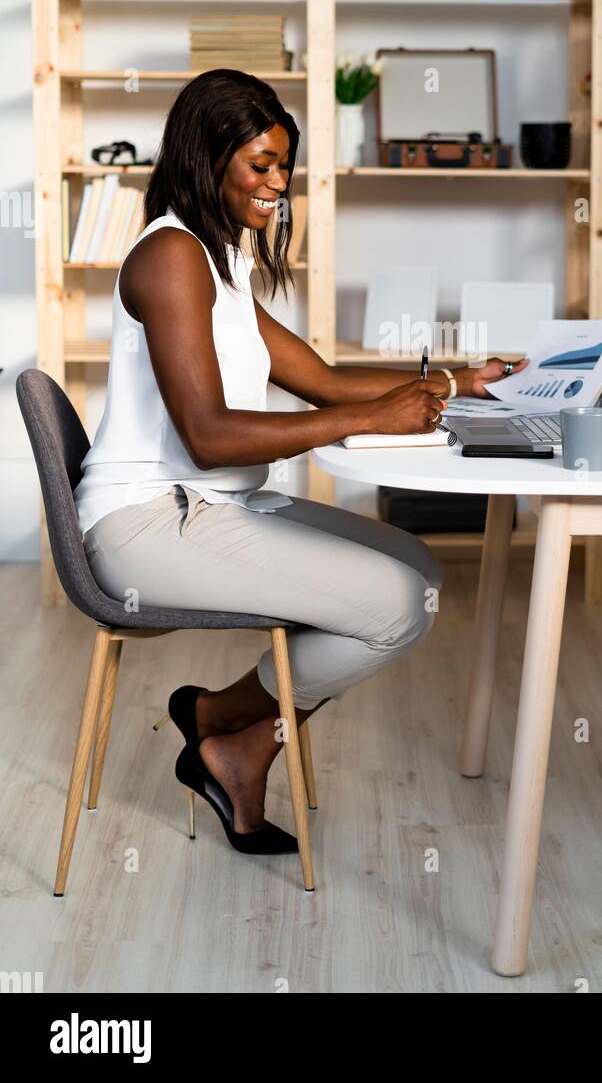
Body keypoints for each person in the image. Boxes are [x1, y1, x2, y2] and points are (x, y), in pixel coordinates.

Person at [74, 69, 526, 853]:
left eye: (285, 165)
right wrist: (366, 418)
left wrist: (457, 382)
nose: (279, 184)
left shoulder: (219, 262)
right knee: (394, 606)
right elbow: (207, 436)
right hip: (148, 525)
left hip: (210, 507)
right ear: (206, 158)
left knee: (417, 569)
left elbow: (317, 379)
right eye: (261, 164)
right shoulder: (171, 258)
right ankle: (221, 724)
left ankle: (236, 740)